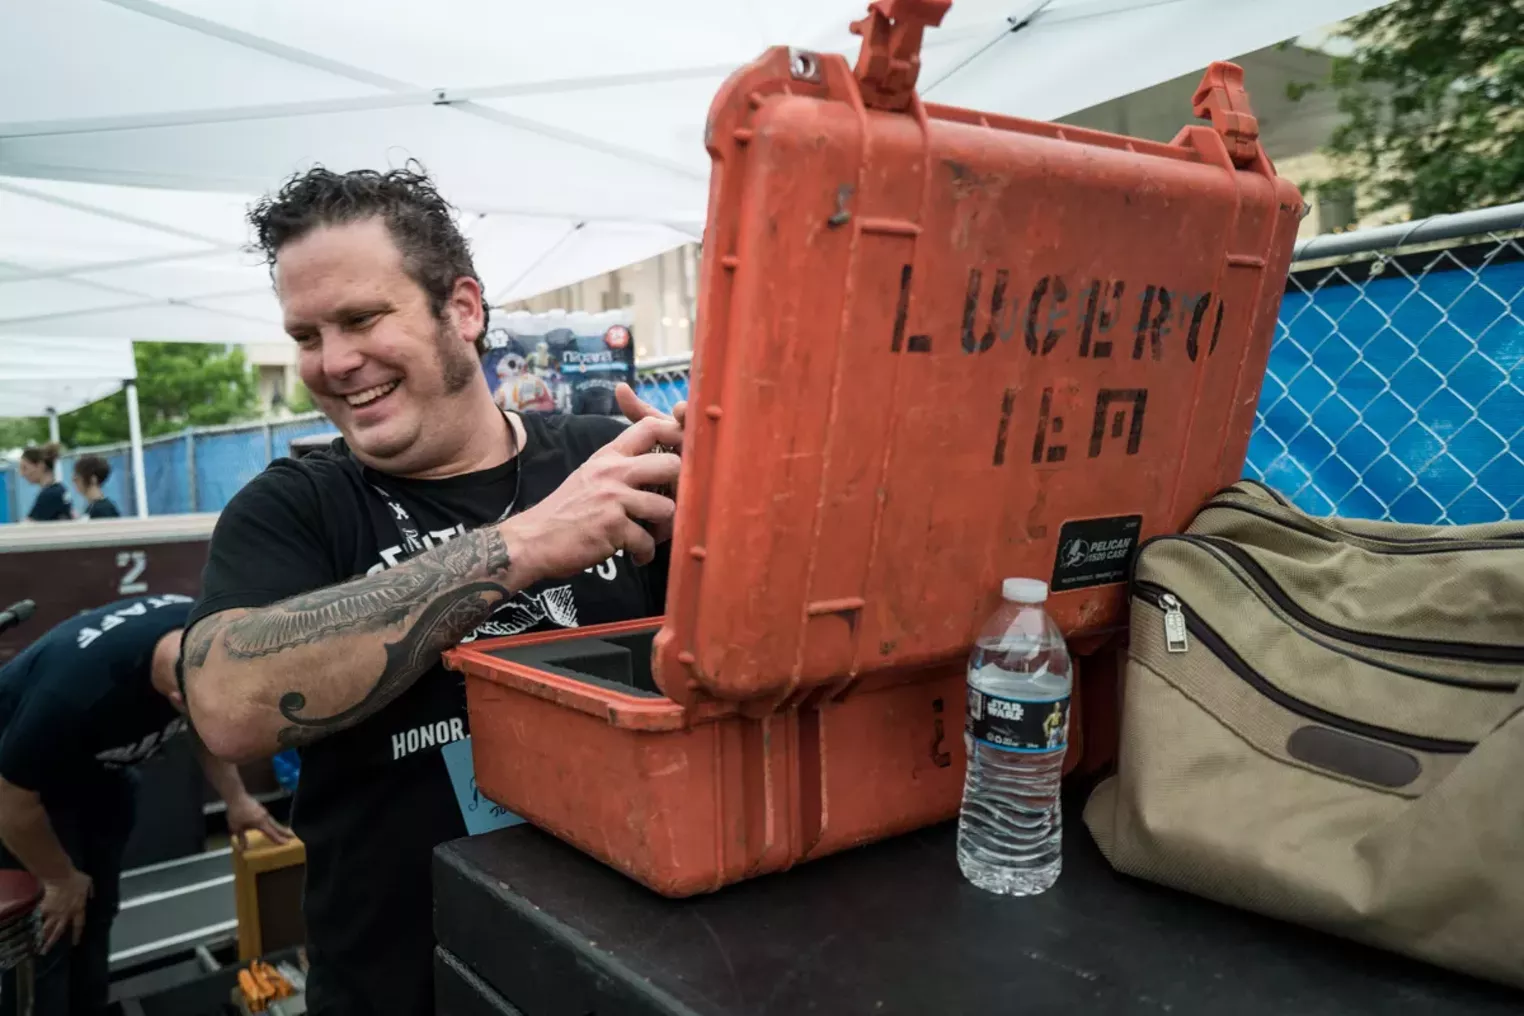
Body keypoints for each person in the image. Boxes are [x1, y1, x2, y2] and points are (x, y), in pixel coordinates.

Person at [179, 165, 684, 1016]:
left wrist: (750, 504)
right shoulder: (296, 507)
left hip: (630, 960)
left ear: (464, 310)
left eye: (362, 318)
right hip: (406, 985)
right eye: (306, 335)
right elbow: (227, 704)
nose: (335, 363)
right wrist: (521, 545)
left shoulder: (609, 457)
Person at [0, 594, 292, 1016]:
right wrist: (59, 878)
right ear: (177, 697)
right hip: (26, 792)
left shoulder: (206, 634)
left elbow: (209, 723)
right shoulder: (71, 693)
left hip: (100, 775)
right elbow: (10, 800)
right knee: (53, 935)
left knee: (97, 914)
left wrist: (237, 799)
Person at [18, 443, 73, 521]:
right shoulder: (60, 489)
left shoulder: (49, 495)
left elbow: (29, 524)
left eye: (25, 468)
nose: (21, 474)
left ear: (40, 466)